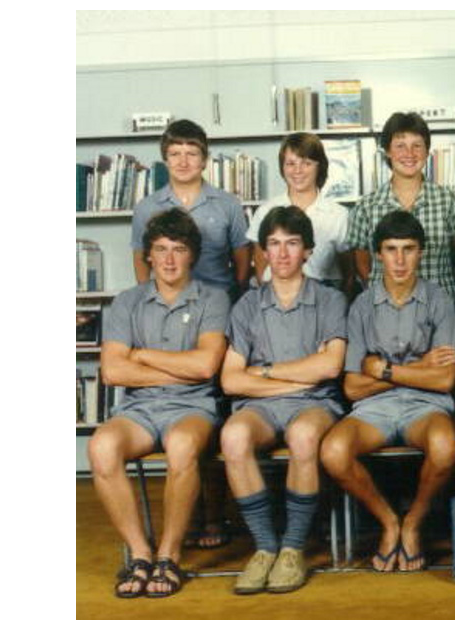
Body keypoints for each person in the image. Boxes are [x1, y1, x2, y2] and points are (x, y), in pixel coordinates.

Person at [89, 209, 230, 598]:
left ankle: (169, 556)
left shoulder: (213, 299)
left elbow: (205, 368)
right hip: (139, 411)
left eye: (179, 249)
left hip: (194, 407)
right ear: (148, 255)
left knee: (182, 444)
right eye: (161, 249)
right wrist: (174, 368)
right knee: (101, 446)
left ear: (192, 255)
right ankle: (140, 553)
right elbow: (113, 373)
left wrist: (142, 355)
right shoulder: (127, 302)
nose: (169, 259)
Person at [320, 211, 455, 573]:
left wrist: (382, 369)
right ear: (378, 254)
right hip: (373, 410)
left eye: (408, 249)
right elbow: (352, 387)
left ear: (422, 253)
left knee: (445, 447)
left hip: (426, 407)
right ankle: (388, 522)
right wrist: (418, 368)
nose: (399, 260)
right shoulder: (362, 305)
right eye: (391, 249)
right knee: (334, 452)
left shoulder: (439, 300)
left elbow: (444, 381)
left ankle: (412, 522)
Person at [219, 206, 348, 594]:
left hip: (316, 405)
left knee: (305, 436)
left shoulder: (329, 300)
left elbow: (330, 367)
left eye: (292, 243)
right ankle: (264, 547)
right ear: (262, 252)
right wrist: (295, 377)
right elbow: (229, 380)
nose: (283, 253)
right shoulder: (247, 306)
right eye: (273, 244)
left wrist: (263, 371)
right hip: (260, 407)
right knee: (233, 437)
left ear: (308, 250)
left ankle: (292, 548)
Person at [346, 112, 455, 297]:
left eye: (417, 145)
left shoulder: (450, 201)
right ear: (387, 150)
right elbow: (362, 263)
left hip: (440, 308)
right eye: (400, 146)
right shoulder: (366, 206)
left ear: (427, 151)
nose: (409, 154)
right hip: (385, 310)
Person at [131, 119, 251, 299]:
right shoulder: (146, 208)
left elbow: (243, 261)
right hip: (168, 305)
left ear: (204, 160)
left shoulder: (229, 204)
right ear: (165, 159)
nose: (183, 162)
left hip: (219, 302)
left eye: (192, 154)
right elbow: (141, 262)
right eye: (175, 154)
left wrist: (230, 299)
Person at [248, 132, 354, 295]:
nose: (298, 170)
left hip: (325, 295)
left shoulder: (339, 215)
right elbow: (261, 272)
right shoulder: (265, 211)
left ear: (319, 166)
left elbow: (349, 275)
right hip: (276, 295)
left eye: (306, 163)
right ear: (282, 168)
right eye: (290, 163)